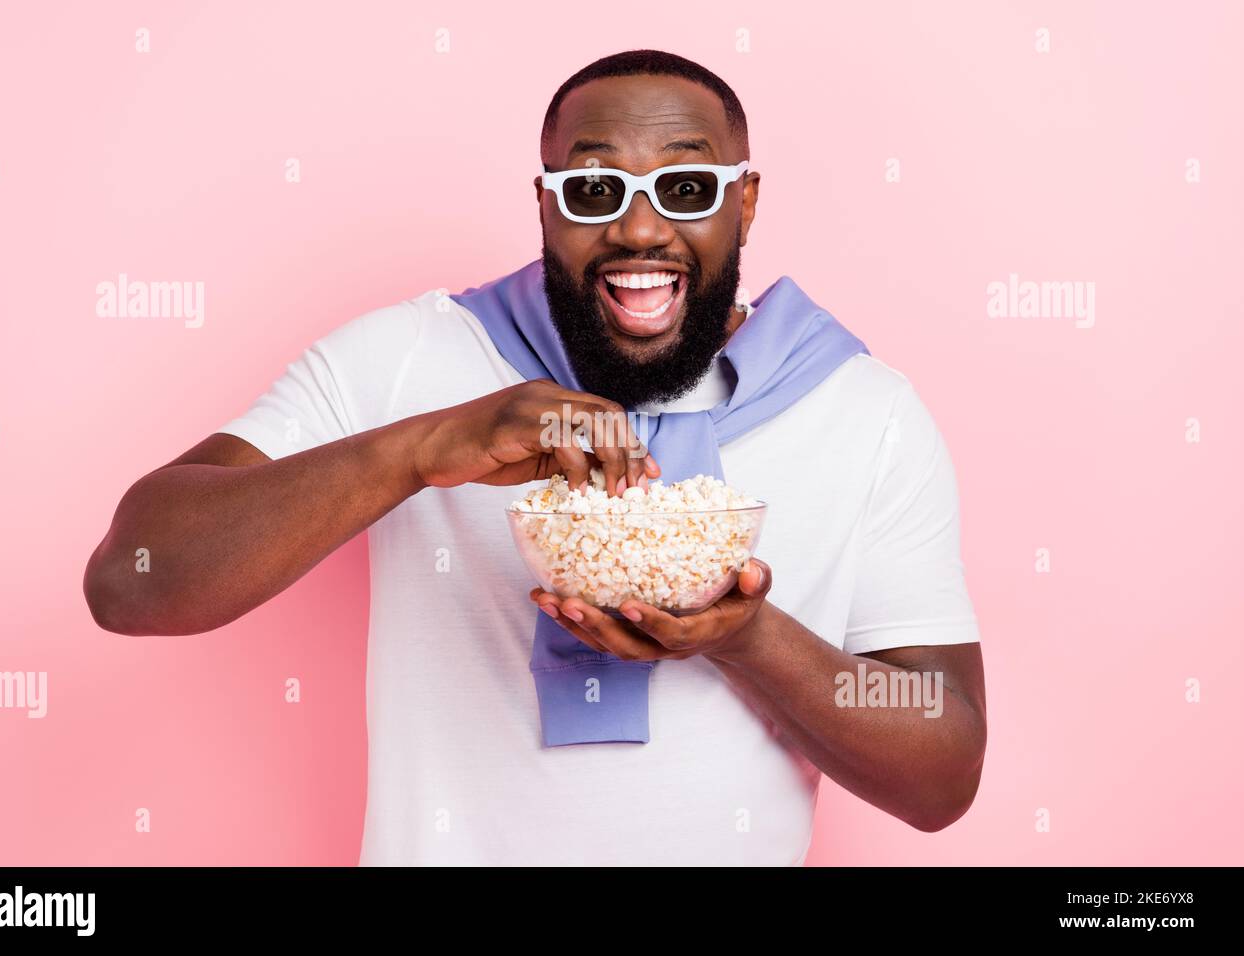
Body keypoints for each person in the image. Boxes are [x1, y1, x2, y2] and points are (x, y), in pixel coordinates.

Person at [84, 49, 986, 866]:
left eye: (687, 190)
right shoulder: (408, 359)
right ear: (547, 202)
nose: (640, 231)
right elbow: (132, 580)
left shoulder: (865, 412)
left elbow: (941, 775)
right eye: (594, 190)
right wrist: (425, 448)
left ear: (744, 203)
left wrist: (750, 638)